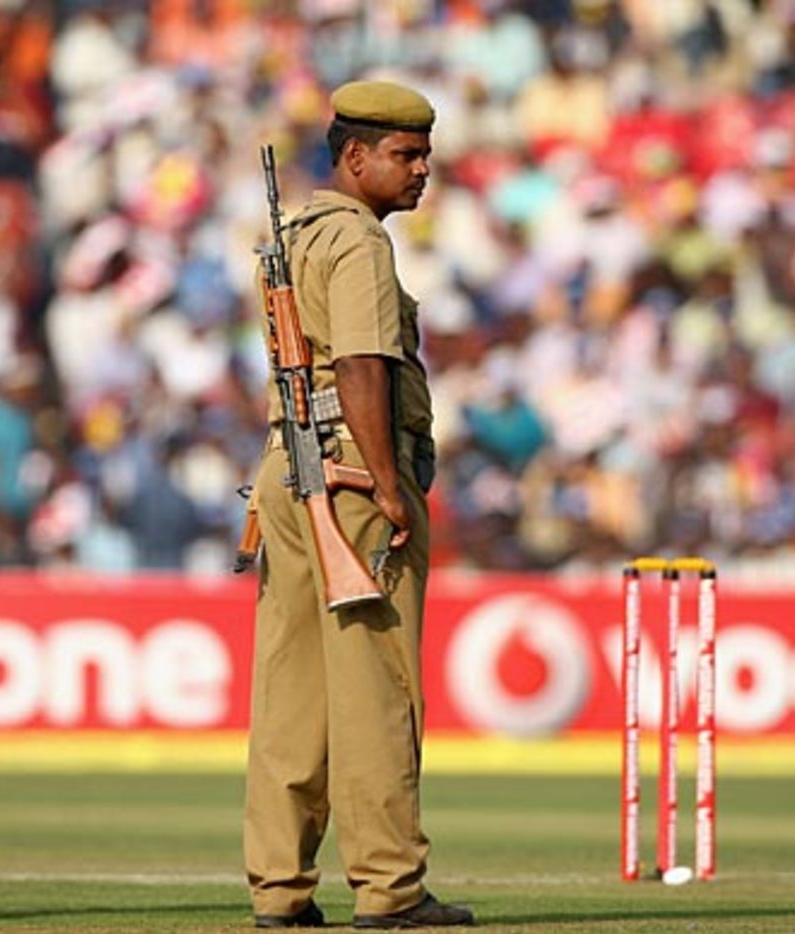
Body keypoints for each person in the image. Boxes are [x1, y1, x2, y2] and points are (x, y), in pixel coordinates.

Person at [243, 80, 474, 929]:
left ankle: (279, 885)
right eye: (405, 155)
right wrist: (386, 481)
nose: (422, 171)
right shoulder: (360, 245)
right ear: (355, 157)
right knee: (377, 689)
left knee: (292, 694)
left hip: (292, 467)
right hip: (349, 472)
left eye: (424, 154)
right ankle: (389, 887)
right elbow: (363, 366)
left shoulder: (296, 233)